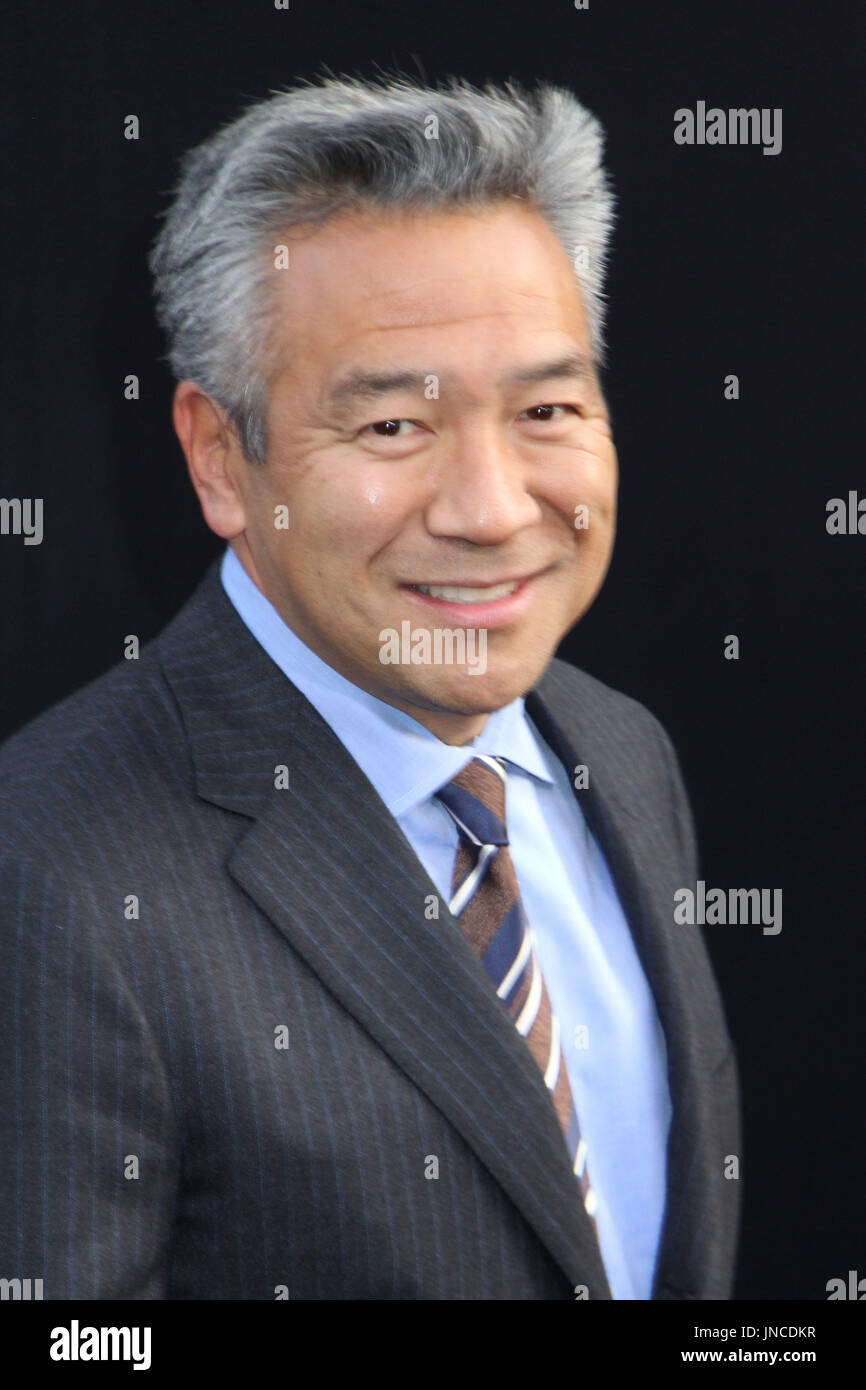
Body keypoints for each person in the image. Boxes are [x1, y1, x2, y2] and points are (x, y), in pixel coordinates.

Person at [0, 74, 740, 1300]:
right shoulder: (48, 877)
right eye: (392, 428)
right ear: (219, 457)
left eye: (546, 407)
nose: (493, 510)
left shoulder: (621, 747)